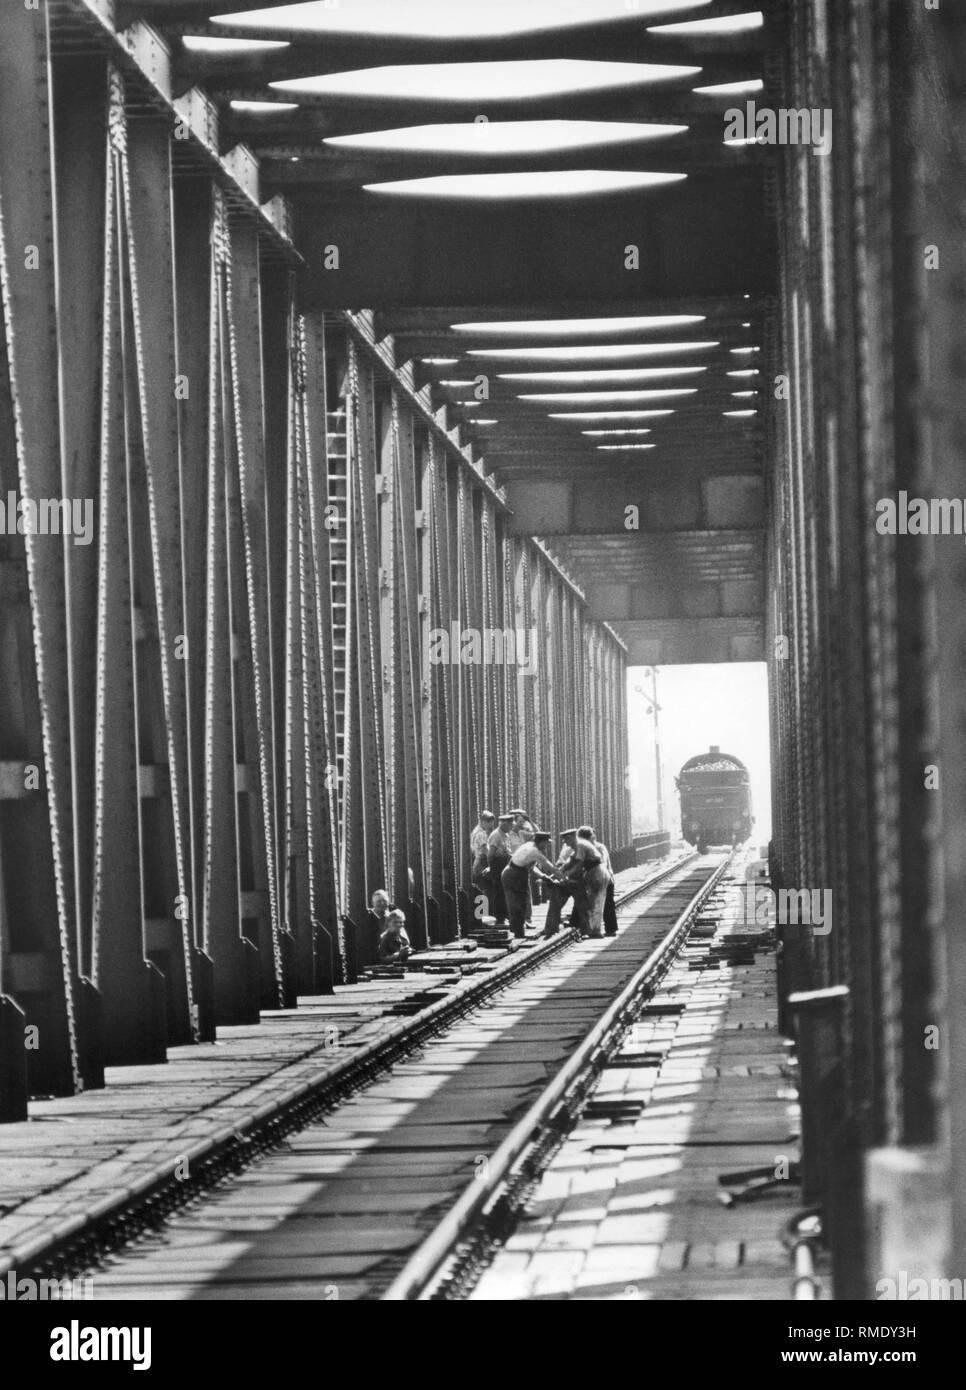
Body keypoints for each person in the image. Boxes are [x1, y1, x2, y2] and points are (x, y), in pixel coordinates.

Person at [501, 832, 559, 939]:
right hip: (514, 874)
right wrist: (562, 877)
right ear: (541, 842)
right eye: (546, 843)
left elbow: (532, 868)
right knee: (516, 904)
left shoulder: (529, 846)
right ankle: (518, 933)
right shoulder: (534, 851)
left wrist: (543, 877)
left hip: (515, 873)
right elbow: (549, 866)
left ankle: (518, 932)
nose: (546, 846)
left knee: (520, 903)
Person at [542, 828, 579, 936]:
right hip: (567, 874)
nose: (565, 843)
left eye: (566, 840)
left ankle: (551, 929)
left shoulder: (576, 847)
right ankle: (552, 929)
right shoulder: (575, 847)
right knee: (558, 902)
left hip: (566, 873)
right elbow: (568, 864)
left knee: (556, 903)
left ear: (571, 838)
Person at [575, 825, 608, 939]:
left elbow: (579, 863)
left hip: (595, 873)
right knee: (598, 901)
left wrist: (568, 874)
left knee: (594, 902)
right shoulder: (587, 843)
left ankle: (595, 930)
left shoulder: (580, 844)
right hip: (600, 871)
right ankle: (596, 929)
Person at [585, 828, 618, 936]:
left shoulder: (600, 847)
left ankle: (610, 929)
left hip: (605, 879)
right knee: (593, 904)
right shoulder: (585, 848)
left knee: (608, 904)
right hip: (593, 880)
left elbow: (603, 862)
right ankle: (591, 928)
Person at [486, 813, 514, 925]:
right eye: (510, 825)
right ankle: (500, 918)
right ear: (504, 824)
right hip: (497, 865)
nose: (511, 827)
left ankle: (505, 916)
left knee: (504, 891)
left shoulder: (505, 835)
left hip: (504, 864)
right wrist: (491, 868)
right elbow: (490, 854)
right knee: (499, 892)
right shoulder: (496, 835)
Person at [470, 810, 495, 905]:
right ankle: (485, 914)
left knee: (481, 888)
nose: (491, 827)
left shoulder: (475, 830)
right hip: (482, 862)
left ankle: (481, 915)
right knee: (486, 889)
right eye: (490, 824)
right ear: (484, 821)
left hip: (478, 861)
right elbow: (485, 850)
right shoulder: (481, 833)